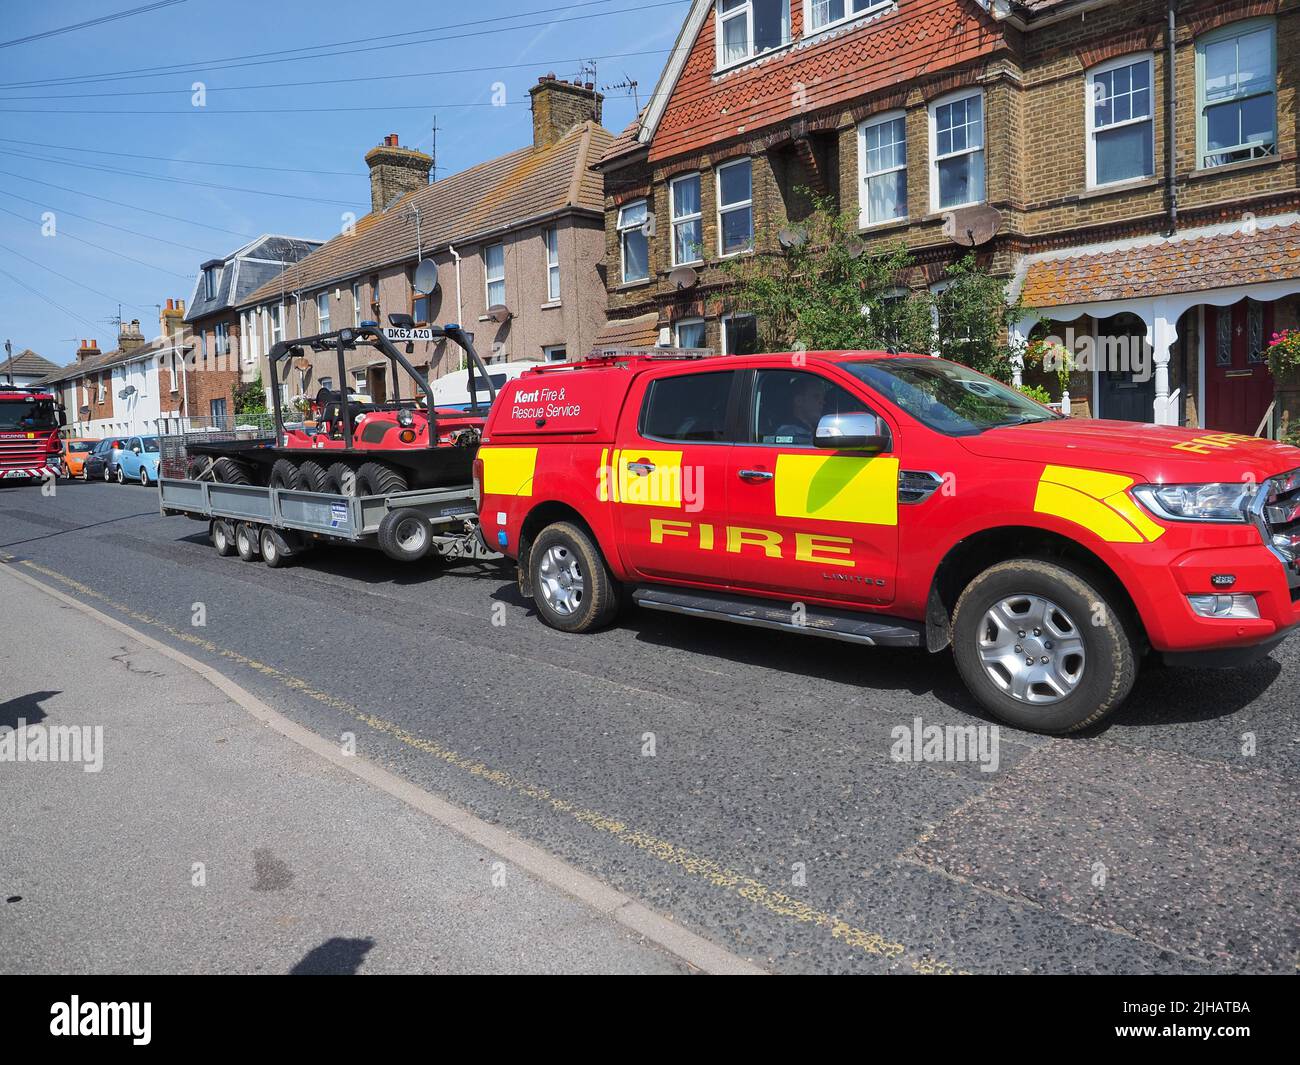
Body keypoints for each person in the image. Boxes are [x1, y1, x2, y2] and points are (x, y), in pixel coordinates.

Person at [773, 377, 826, 446]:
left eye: (823, 397)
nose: (822, 402)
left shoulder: (814, 429)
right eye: (816, 397)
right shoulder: (789, 434)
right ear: (799, 401)